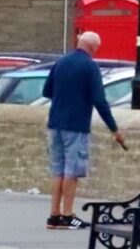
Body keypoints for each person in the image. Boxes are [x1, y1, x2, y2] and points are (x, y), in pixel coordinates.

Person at [43, 30, 127, 229]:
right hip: (76, 126)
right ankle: (68, 215)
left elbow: (46, 91)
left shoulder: (61, 62)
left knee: (58, 170)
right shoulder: (90, 66)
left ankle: (53, 216)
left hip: (55, 123)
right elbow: (99, 100)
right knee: (72, 171)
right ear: (93, 46)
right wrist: (114, 129)